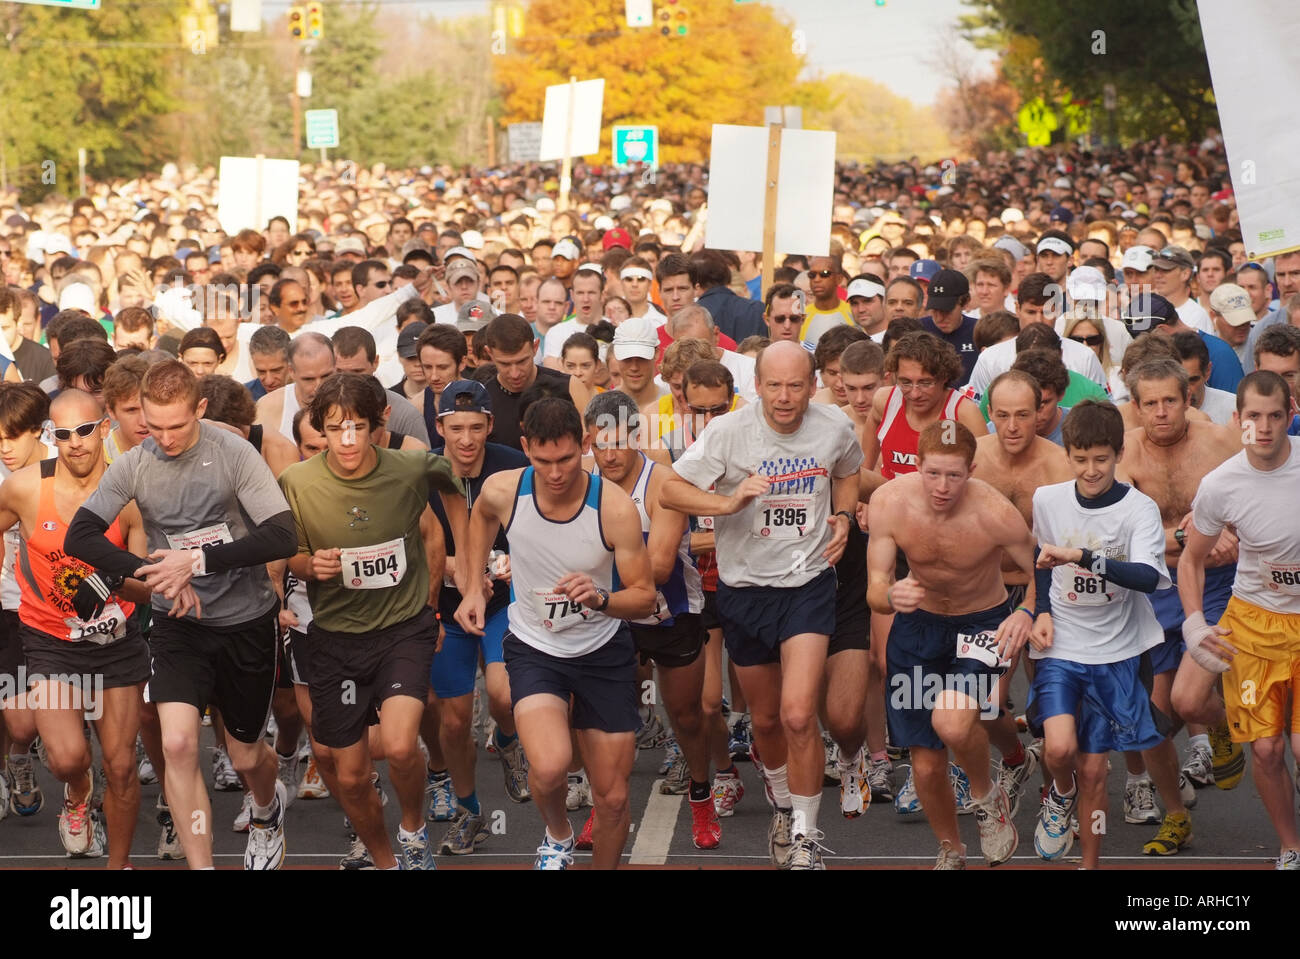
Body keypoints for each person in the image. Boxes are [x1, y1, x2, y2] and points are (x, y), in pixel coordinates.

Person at [64, 360, 300, 870]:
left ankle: (266, 807)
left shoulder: (233, 452)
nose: (165, 438)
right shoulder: (134, 463)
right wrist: (153, 574)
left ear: (200, 408)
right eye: (154, 425)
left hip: (245, 621)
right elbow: (78, 536)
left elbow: (283, 535)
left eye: (178, 425)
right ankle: (203, 866)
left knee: (245, 757)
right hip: (179, 625)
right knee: (175, 743)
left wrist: (195, 561)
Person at [661, 341, 863, 869]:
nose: (784, 396)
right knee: (768, 721)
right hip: (745, 591)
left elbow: (848, 469)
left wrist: (843, 517)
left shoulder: (833, 425)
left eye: (796, 384)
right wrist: (727, 502)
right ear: (758, 386)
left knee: (799, 715)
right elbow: (670, 490)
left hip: (808, 584)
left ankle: (804, 835)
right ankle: (780, 796)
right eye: (773, 385)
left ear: (813, 385)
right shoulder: (728, 433)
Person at [453, 397, 656, 870]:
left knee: (612, 797)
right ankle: (558, 836)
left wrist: (601, 597)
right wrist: (473, 587)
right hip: (535, 648)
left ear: (584, 445)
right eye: (542, 461)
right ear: (525, 448)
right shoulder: (505, 490)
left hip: (602, 651)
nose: (556, 472)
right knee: (547, 768)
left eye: (566, 459)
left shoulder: (614, 507)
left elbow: (645, 598)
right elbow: (479, 518)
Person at [278, 373, 466, 870]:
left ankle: (413, 830)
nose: (347, 440)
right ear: (320, 428)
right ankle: (386, 861)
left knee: (403, 745)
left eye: (358, 427)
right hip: (335, 638)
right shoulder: (297, 482)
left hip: (403, 627)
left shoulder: (409, 467)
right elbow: (288, 555)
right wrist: (308, 565)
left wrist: (465, 559)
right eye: (336, 428)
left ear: (377, 425)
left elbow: (455, 491)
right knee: (352, 772)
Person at [866, 421, 1036, 869]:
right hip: (918, 627)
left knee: (955, 724)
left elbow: (1043, 570)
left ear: (972, 470)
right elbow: (875, 588)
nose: (943, 487)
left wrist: (1026, 611)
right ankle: (951, 849)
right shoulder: (889, 502)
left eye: (954, 475)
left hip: (982, 623)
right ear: (916, 466)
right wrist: (889, 595)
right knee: (924, 766)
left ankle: (986, 799)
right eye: (933, 473)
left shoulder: (995, 512)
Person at [0, 390, 150, 866]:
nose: (74, 443)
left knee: (123, 766)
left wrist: (108, 579)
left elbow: (149, 584)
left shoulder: (128, 493)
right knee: (67, 758)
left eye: (84, 430)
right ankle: (78, 793)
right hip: (49, 642)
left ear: (104, 428)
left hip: (115, 643)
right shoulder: (24, 487)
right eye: (61, 434)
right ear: (52, 437)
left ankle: (118, 864)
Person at [1028, 401, 1172, 868]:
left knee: (1094, 770)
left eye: (1102, 459)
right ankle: (1059, 795)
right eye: (1080, 459)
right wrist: (1044, 611)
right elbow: (1044, 561)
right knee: (1059, 748)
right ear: (1067, 454)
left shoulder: (1139, 509)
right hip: (1063, 645)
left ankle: (1090, 863)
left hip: (1119, 652)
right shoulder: (1047, 499)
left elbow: (1149, 578)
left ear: (1118, 454)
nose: (1091, 470)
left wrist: (1084, 557)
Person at [1172, 371, 1300, 870]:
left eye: (1274, 416)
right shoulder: (1220, 485)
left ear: (1291, 412)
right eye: (1253, 417)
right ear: (1237, 418)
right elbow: (1191, 559)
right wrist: (1195, 624)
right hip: (1254, 624)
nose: (1264, 427)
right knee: (1267, 751)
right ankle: (1290, 846)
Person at [1115, 357, 1244, 852]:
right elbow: (1125, 541)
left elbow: (1262, 500)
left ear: (1188, 399)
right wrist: (1190, 537)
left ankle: (1221, 722)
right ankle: (1175, 816)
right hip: (1152, 591)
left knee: (1189, 700)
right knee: (1150, 719)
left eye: (1171, 400)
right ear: (1136, 407)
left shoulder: (1220, 442)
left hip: (1216, 586)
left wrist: (1232, 533)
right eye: (1151, 404)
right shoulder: (1124, 456)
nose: (1162, 412)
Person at [584, 391, 720, 847]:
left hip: (670, 612)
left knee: (687, 714)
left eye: (619, 442)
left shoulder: (664, 483)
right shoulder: (580, 479)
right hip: (609, 614)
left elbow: (659, 568)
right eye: (600, 444)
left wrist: (589, 568)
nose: (610, 454)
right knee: (605, 715)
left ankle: (701, 795)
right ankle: (602, 810)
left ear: (636, 437)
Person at [427, 380, 532, 855]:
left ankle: (508, 742)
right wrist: (454, 567)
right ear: (440, 427)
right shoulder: (423, 471)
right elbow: (412, 541)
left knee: (503, 694)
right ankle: (470, 813)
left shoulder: (514, 465)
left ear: (490, 425)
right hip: (446, 610)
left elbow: (539, 527)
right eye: (456, 429)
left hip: (501, 602)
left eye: (475, 428)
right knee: (452, 725)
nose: (466, 440)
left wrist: (510, 562)